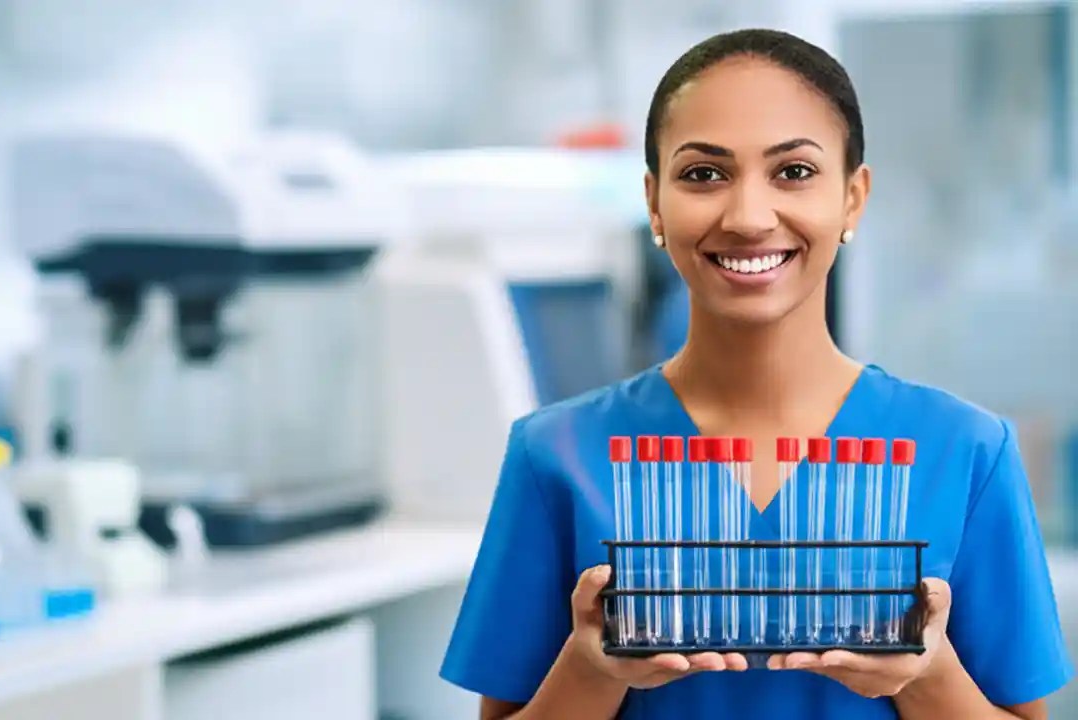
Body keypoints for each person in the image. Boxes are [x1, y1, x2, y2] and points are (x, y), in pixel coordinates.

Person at [439, 28, 1073, 720]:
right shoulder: (553, 456)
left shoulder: (967, 453)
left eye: (794, 172)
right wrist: (590, 673)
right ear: (654, 203)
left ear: (853, 198)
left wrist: (925, 675)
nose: (747, 216)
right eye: (703, 174)